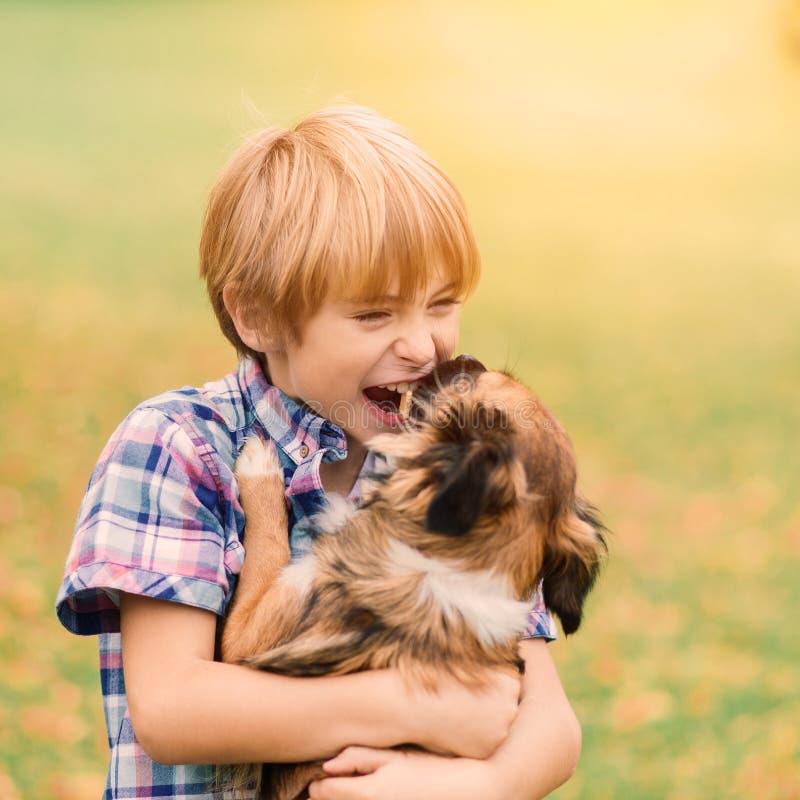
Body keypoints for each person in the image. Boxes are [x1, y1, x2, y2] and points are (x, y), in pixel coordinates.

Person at [56, 105, 582, 800]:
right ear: (257, 316)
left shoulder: (455, 472)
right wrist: (415, 704)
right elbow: (173, 708)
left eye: (441, 303)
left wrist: (476, 784)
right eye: (374, 313)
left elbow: (551, 722)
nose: (423, 346)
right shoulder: (178, 446)